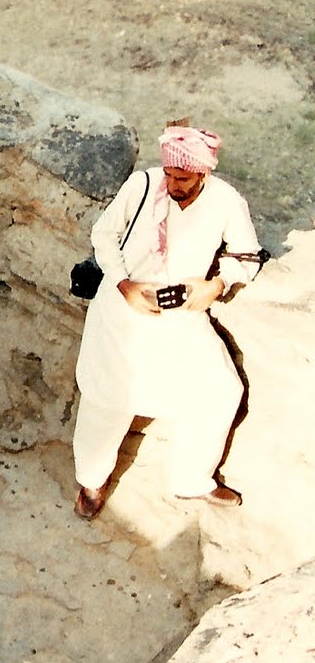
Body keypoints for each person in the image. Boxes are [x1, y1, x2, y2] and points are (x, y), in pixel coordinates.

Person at [71, 125, 262, 519]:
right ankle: (91, 481)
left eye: (183, 178)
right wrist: (124, 284)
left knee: (221, 390)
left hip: (180, 315)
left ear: (203, 174)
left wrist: (215, 285)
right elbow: (104, 235)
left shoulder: (226, 201)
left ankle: (193, 480)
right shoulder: (143, 185)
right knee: (108, 399)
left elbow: (247, 255)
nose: (172, 184)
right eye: (170, 175)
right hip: (124, 308)